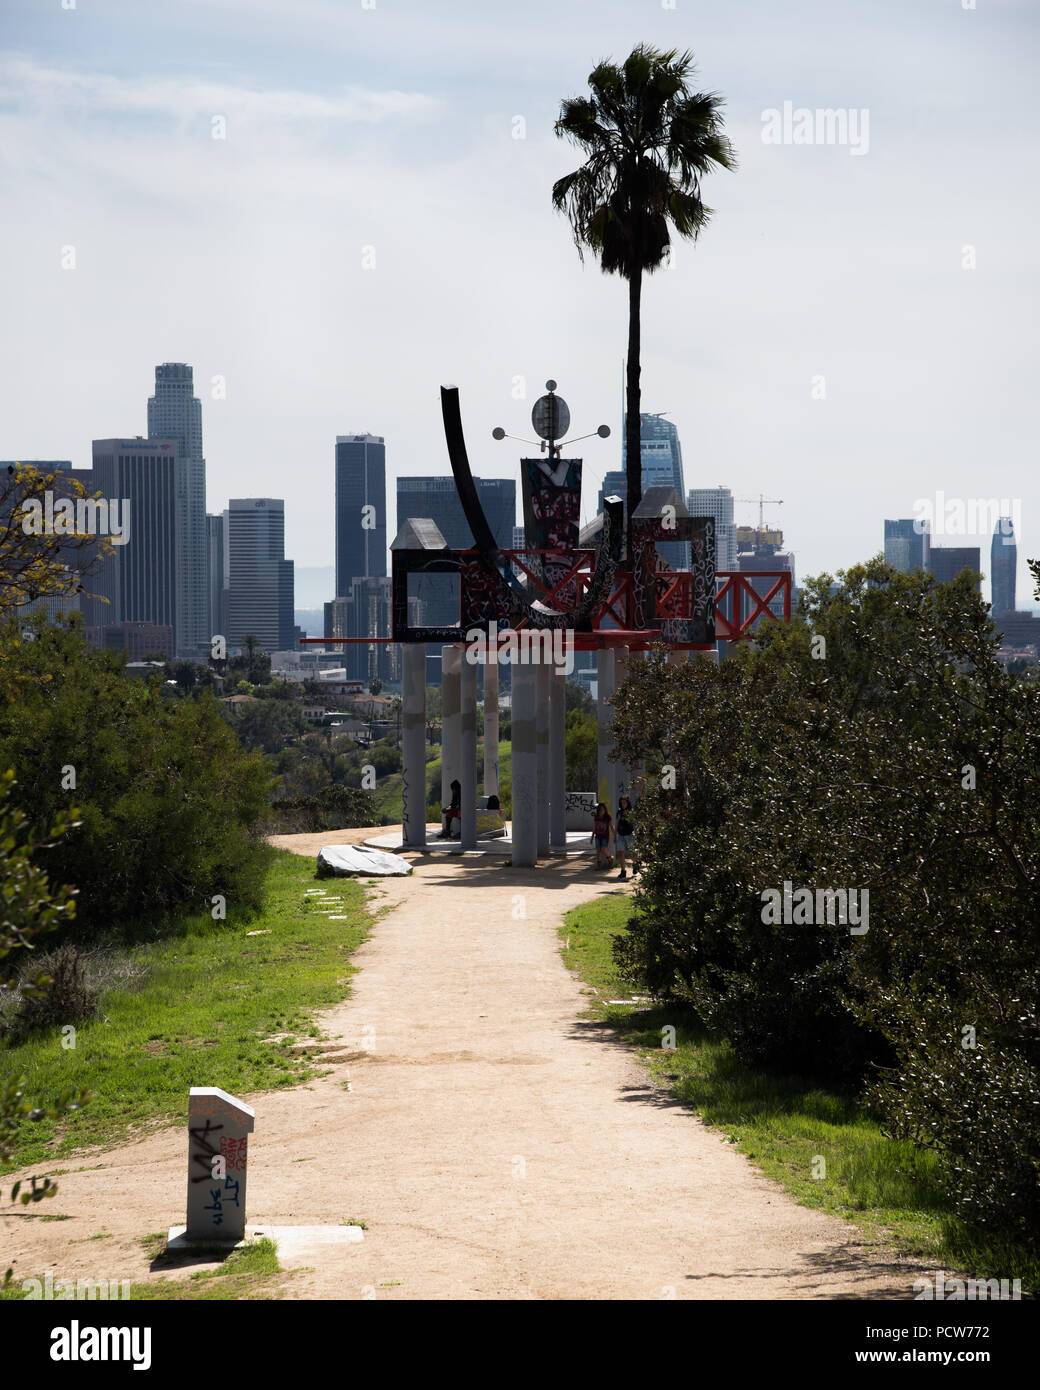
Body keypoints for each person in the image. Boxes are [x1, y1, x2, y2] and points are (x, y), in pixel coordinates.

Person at [615, 795, 635, 880]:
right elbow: (617, 823)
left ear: (628, 803)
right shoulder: (619, 812)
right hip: (620, 835)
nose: (623, 804)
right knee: (621, 853)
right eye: (621, 803)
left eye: (624, 802)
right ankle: (623, 871)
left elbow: (635, 823)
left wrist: (635, 832)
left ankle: (636, 864)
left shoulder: (631, 811)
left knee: (630, 854)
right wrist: (615, 835)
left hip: (629, 835)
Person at [590, 801, 613, 870]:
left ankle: (610, 858)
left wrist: (615, 834)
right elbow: (594, 827)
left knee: (603, 849)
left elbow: (611, 826)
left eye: (603, 810)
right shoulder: (596, 817)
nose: (601, 811)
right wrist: (592, 837)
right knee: (598, 851)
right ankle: (599, 865)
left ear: (605, 810)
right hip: (597, 836)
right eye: (600, 810)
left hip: (605, 836)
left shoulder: (608, 817)